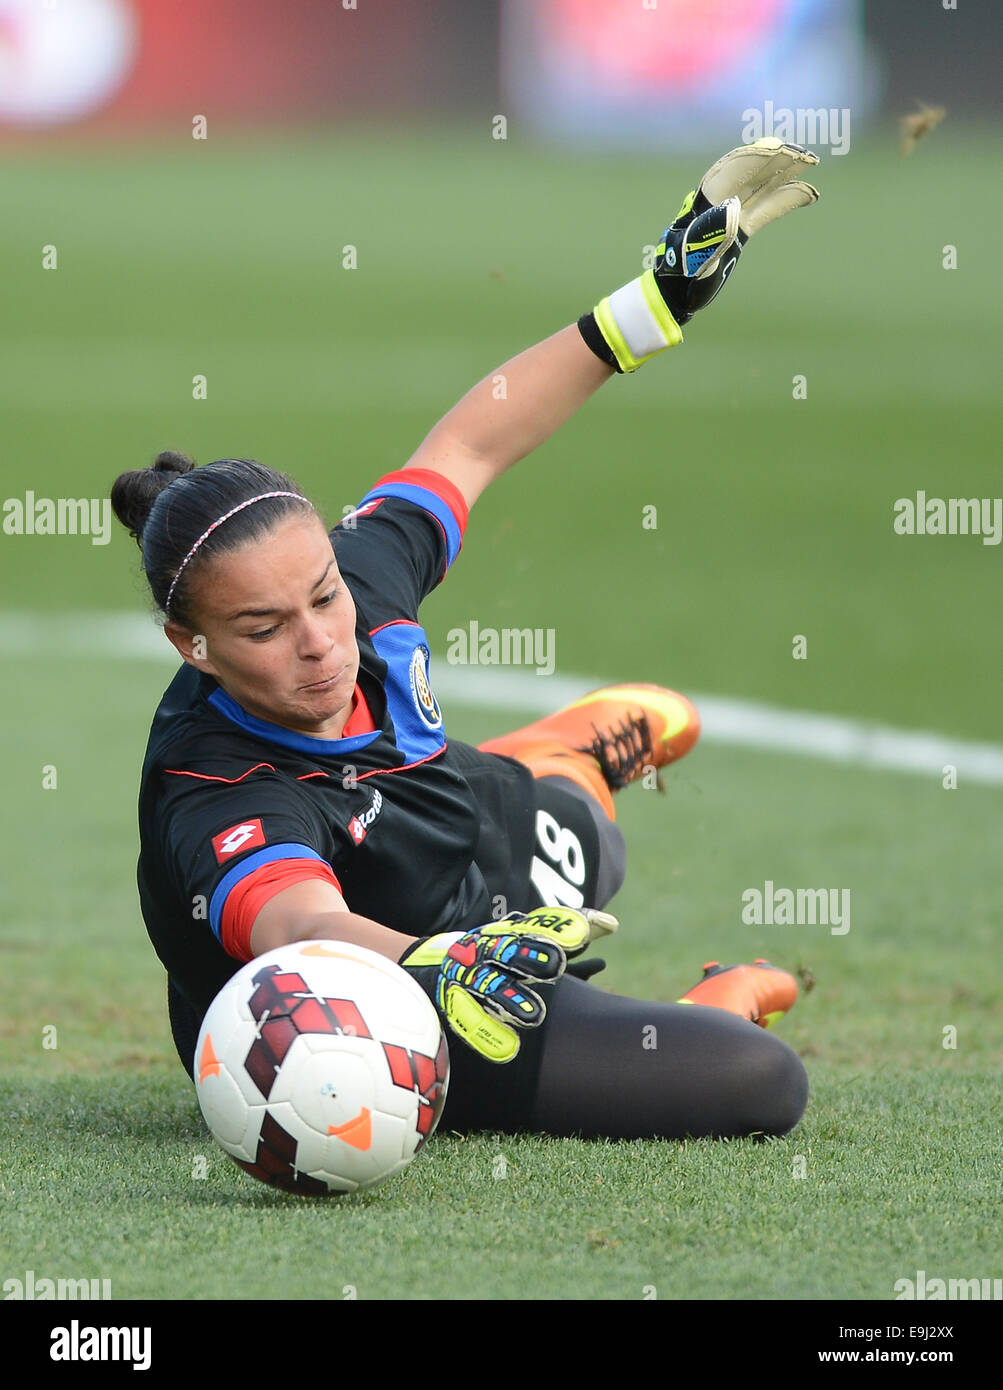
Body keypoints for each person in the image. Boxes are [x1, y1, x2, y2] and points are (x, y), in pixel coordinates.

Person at [112, 140, 820, 1151]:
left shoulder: (361, 582)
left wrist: (657, 300)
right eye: (263, 628)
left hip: (460, 831)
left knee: (593, 847)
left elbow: (469, 442)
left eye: (323, 597)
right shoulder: (214, 785)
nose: (320, 643)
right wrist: (441, 963)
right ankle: (709, 996)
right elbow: (300, 925)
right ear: (192, 645)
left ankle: (559, 765)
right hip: (378, 995)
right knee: (757, 1082)